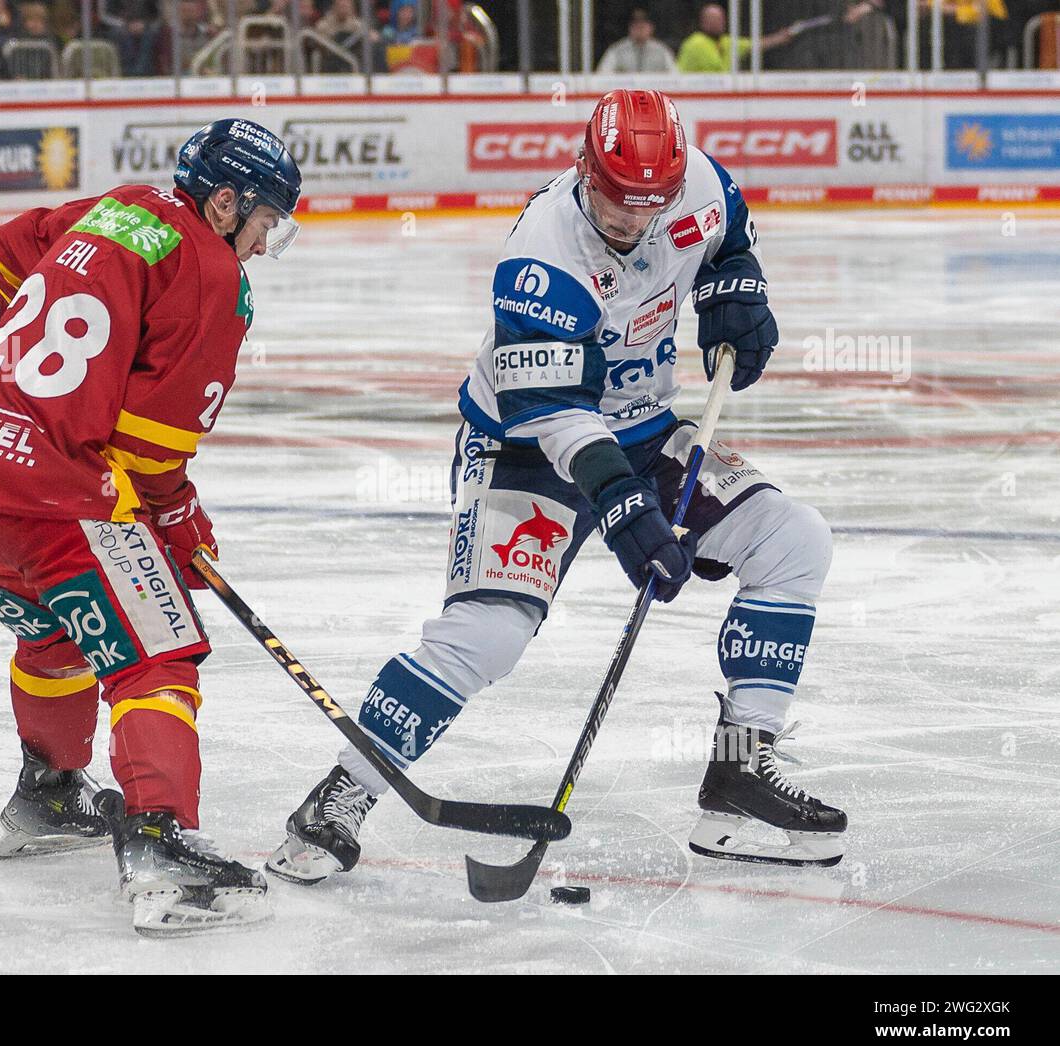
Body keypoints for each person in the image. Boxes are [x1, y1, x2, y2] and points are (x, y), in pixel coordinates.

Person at [267, 89, 847, 887]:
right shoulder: (542, 254)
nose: (631, 222)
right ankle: (340, 794)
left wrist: (736, 297)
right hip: (525, 446)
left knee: (793, 540)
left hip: (643, 428)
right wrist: (625, 511)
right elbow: (556, 411)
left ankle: (739, 771)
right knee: (488, 636)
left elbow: (731, 245)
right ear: (583, 169)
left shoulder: (701, 189)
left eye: (650, 204)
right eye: (614, 201)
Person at [0, 119, 303, 936]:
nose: (266, 246)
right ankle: (160, 846)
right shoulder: (211, 275)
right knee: (156, 651)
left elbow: (9, 243)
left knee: (60, 632)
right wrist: (178, 519)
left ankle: (50, 793)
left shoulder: (123, 206)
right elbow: (152, 451)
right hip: (55, 492)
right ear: (227, 203)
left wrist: (38, 391)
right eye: (267, 223)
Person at [676, 2, 794, 72]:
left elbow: (755, 44)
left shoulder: (726, 42)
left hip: (723, 95)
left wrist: (781, 37)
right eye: (715, 19)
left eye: (722, 19)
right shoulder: (694, 43)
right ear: (703, 22)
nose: (720, 23)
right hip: (697, 96)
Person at [596, 7, 676, 74]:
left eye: (643, 25)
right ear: (629, 27)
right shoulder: (617, 50)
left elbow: (675, 77)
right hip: (625, 91)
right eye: (636, 25)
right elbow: (602, 75)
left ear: (651, 27)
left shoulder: (662, 50)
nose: (639, 28)